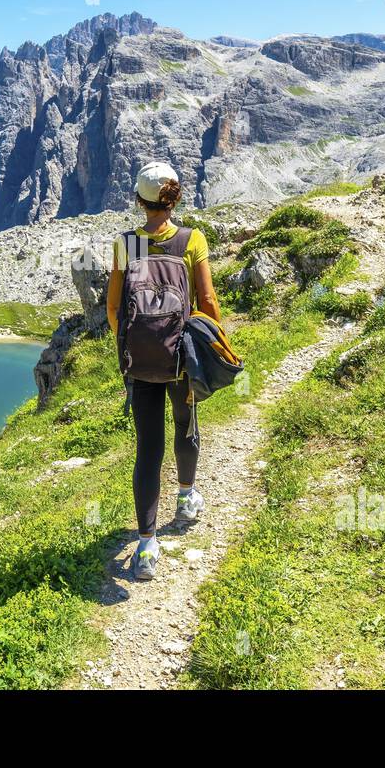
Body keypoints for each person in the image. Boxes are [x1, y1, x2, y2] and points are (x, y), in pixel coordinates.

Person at [106, 161, 222, 580]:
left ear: (140, 201)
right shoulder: (191, 240)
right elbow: (206, 302)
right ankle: (187, 497)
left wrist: (132, 347)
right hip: (179, 359)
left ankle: (146, 545)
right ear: (174, 198)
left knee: (147, 449)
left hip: (140, 362)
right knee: (186, 425)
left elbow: (114, 307)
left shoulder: (127, 244)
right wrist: (215, 345)